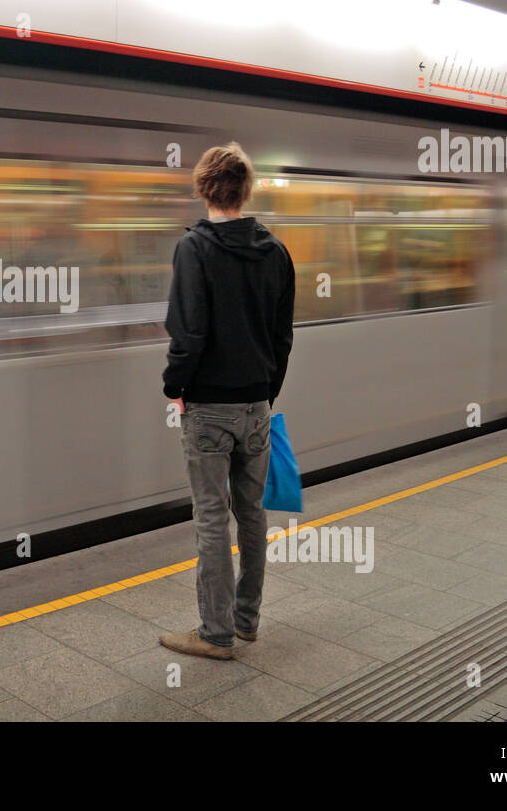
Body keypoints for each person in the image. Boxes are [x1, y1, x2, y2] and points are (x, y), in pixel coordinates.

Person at [158, 142, 295, 661]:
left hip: (209, 408)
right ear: (246, 190)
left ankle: (215, 634)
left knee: (212, 516)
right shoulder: (276, 251)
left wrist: (175, 387)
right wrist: (265, 389)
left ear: (204, 187)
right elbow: (283, 336)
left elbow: (188, 333)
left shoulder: (195, 247)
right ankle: (246, 621)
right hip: (257, 406)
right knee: (253, 512)